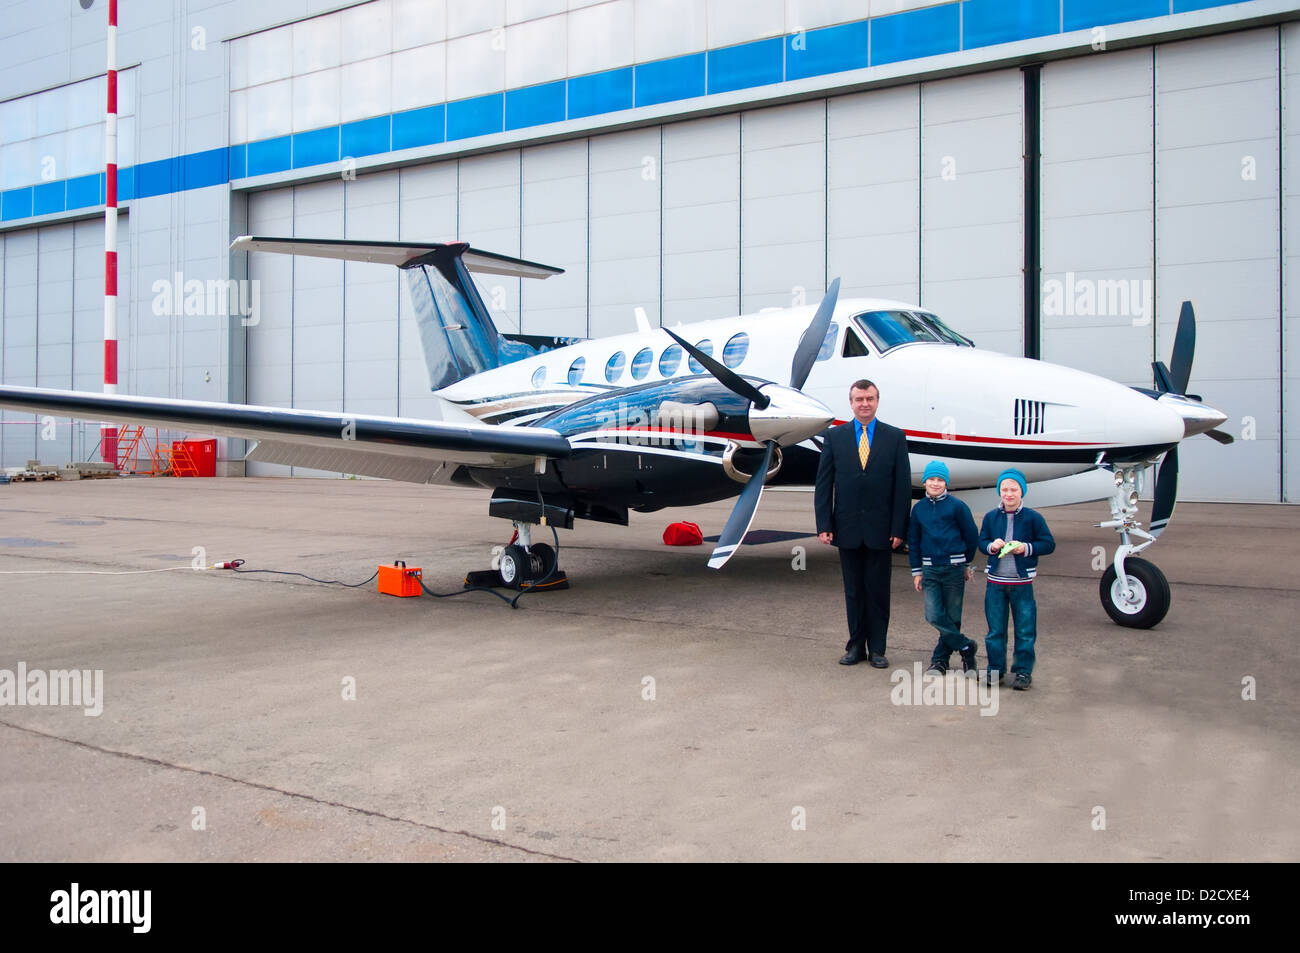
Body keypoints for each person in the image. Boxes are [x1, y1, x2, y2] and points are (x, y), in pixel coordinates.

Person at [815, 379, 911, 668]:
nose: (864, 404)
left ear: (877, 401)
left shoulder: (895, 437)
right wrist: (824, 523)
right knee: (853, 590)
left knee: (879, 591)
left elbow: (902, 487)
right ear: (851, 403)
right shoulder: (835, 437)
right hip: (847, 529)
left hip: (882, 531)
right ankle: (855, 645)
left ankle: (878, 648)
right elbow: (824, 484)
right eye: (859, 399)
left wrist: (898, 529)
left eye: (869, 398)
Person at [978, 468, 1055, 691]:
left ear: (1022, 492)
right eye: (1005, 489)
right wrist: (991, 546)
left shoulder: (1033, 518)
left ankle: (1022, 671)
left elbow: (1048, 543)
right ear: (999, 492)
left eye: (1013, 489)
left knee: (1025, 630)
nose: (1009, 494)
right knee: (995, 630)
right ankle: (995, 670)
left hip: (1022, 585)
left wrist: (1026, 548)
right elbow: (981, 542)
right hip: (995, 583)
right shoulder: (991, 517)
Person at [908, 460, 980, 676]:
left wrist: (966, 563)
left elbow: (971, 535)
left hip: (954, 568)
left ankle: (940, 661)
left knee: (952, 616)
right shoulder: (919, 509)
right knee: (933, 615)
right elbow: (914, 541)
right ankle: (966, 646)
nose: (936, 483)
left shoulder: (957, 506)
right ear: (925, 482)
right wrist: (916, 571)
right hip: (930, 569)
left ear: (946, 483)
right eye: (932, 479)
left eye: (940, 480)